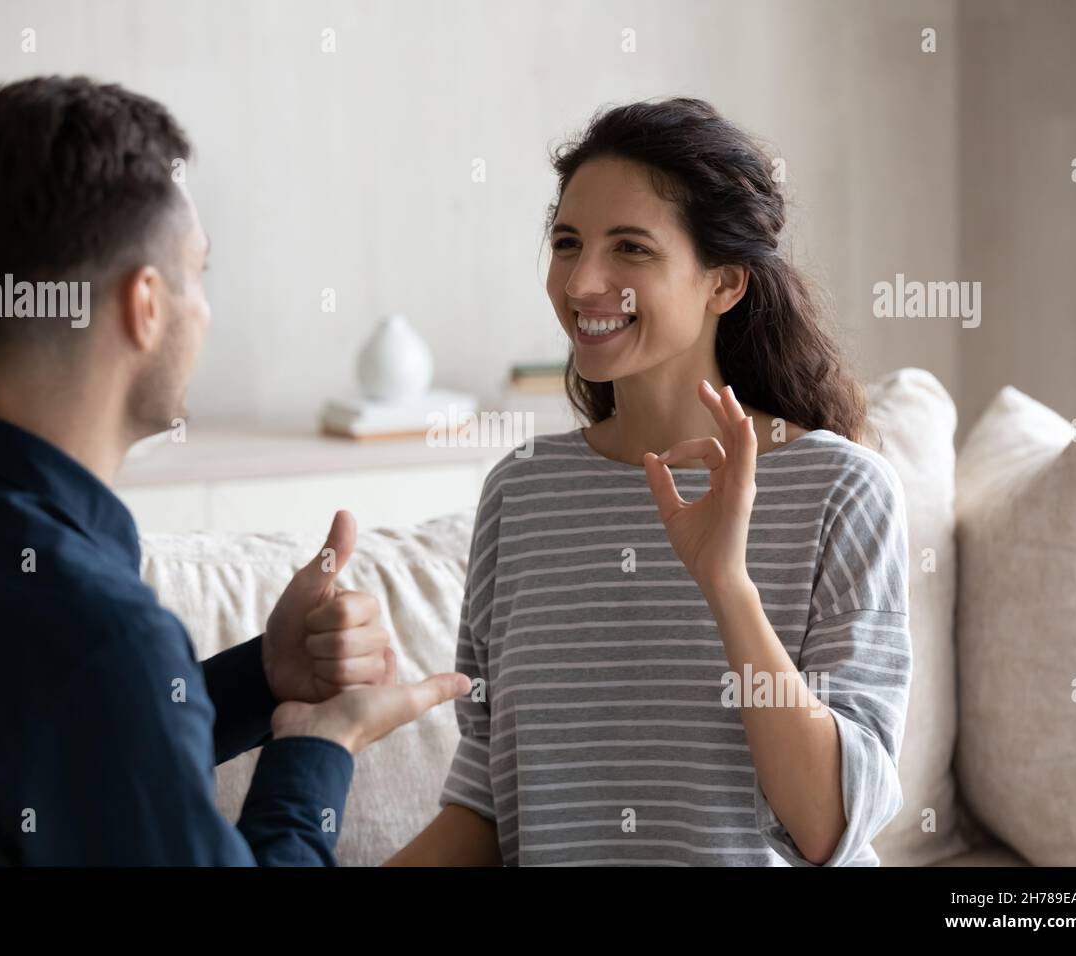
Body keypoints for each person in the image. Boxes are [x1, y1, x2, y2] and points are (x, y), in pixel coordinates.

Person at [0, 75, 469, 865]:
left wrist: (263, 674)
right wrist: (321, 747)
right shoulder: (101, 635)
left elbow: (57, 751)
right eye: (198, 272)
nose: (204, 309)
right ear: (146, 304)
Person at [390, 98, 912, 867]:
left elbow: (829, 825)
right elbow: (488, 804)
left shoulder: (842, 490)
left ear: (723, 284)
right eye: (567, 243)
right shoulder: (523, 493)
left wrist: (727, 586)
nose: (582, 282)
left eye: (631, 248)